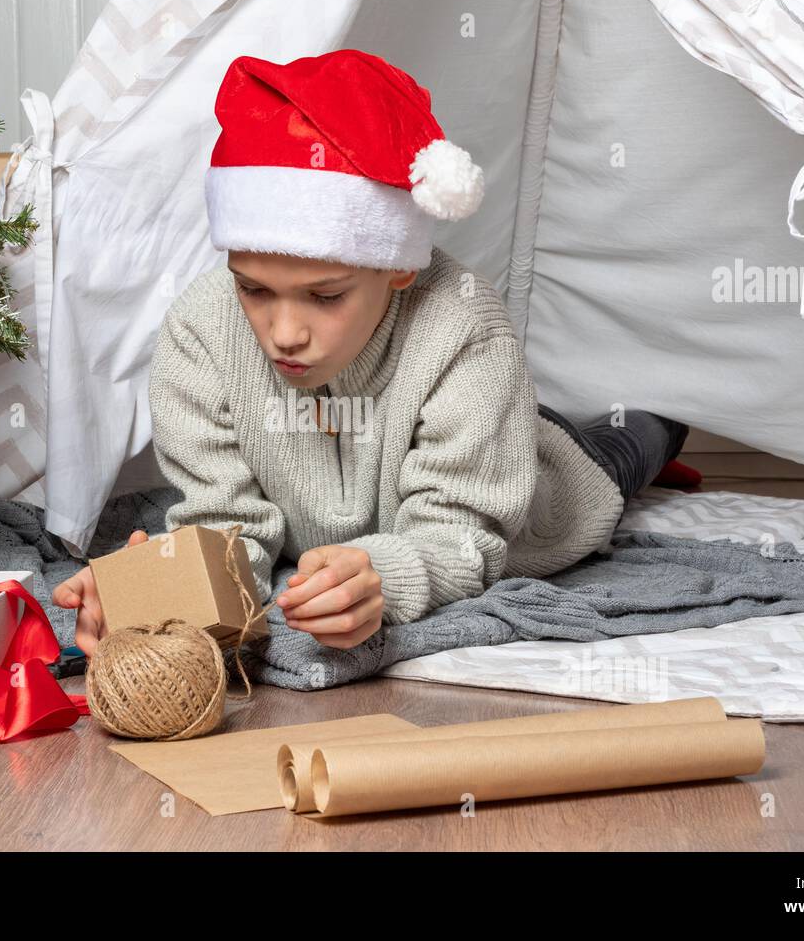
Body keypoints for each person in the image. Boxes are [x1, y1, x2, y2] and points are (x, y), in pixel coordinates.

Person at [54, 49, 689, 656]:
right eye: (254, 289)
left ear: (399, 270)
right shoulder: (199, 328)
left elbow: (462, 535)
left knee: (621, 449)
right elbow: (226, 526)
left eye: (324, 297)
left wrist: (385, 576)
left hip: (537, 467)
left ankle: (659, 427)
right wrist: (159, 593)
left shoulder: (467, 322)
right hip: (441, 442)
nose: (284, 333)